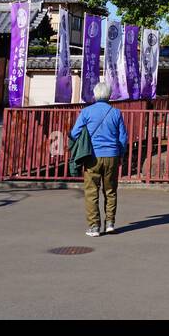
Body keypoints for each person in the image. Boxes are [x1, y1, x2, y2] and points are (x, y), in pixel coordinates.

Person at [70, 80, 129, 237]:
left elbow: (74, 133)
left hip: (92, 157)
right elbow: (123, 138)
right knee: (110, 191)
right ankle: (110, 223)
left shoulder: (86, 112)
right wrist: (121, 155)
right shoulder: (116, 113)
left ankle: (94, 226)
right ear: (109, 95)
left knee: (91, 192)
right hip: (112, 156)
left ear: (95, 95)